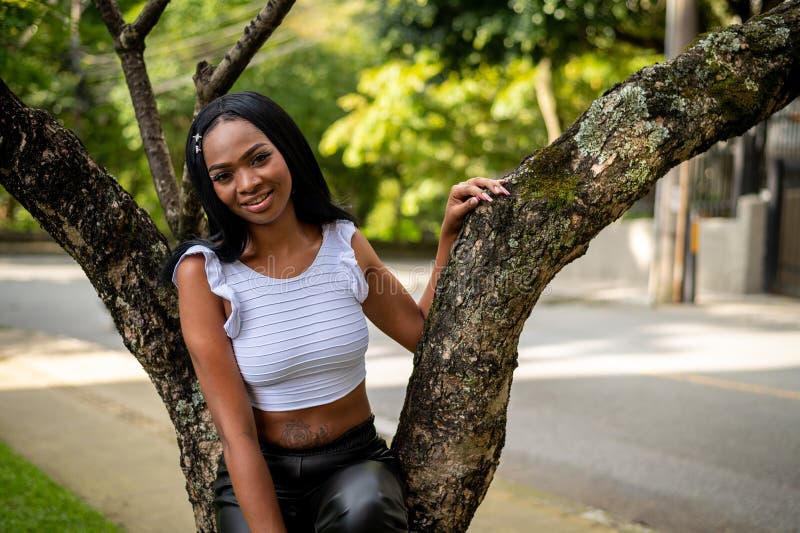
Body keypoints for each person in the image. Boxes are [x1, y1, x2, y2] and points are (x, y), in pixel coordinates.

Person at [162, 91, 510, 533]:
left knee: (366, 509)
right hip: (258, 472)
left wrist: (449, 237)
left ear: (287, 151)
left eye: (259, 158)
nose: (247, 183)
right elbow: (237, 437)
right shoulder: (204, 274)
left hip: (354, 466)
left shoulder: (342, 243)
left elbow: (421, 334)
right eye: (224, 175)